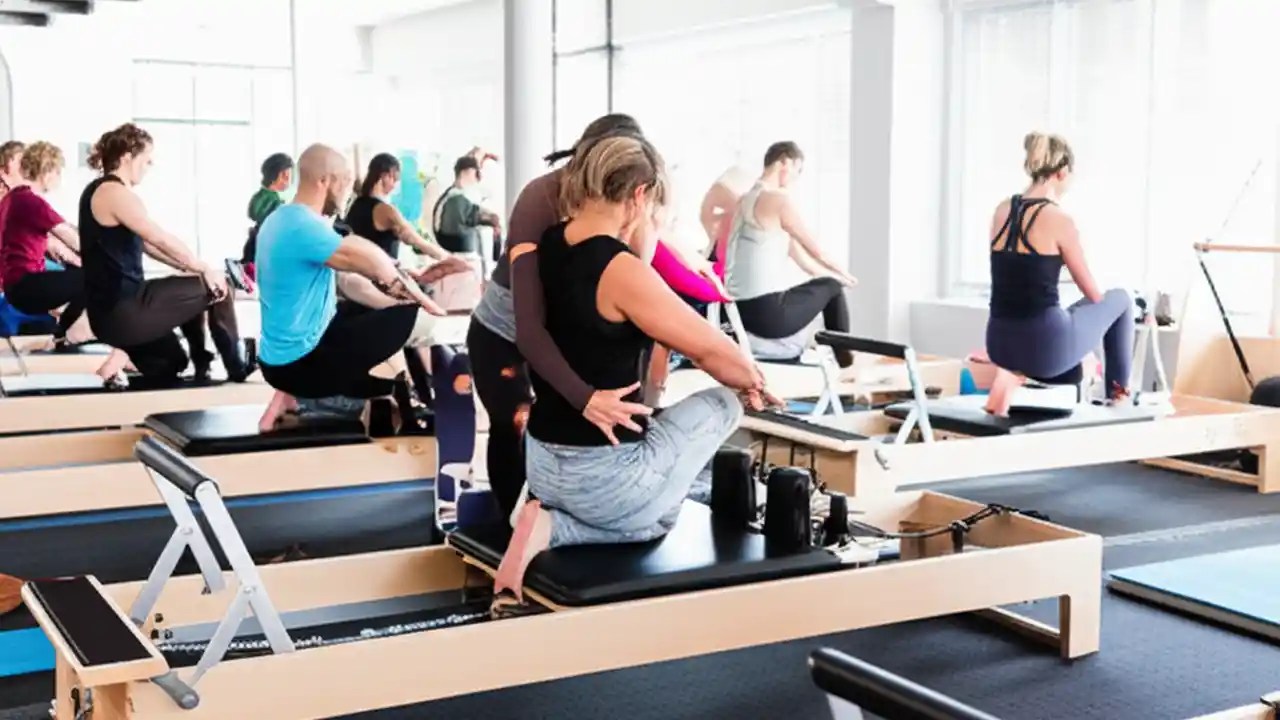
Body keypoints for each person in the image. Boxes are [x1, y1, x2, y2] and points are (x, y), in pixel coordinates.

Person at [492, 134, 772, 603]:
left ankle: (544, 518)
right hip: (606, 482)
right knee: (718, 412)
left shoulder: (546, 245)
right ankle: (561, 529)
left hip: (540, 464)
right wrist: (755, 382)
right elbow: (712, 352)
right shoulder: (621, 270)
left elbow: (532, 335)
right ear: (640, 196)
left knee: (661, 496)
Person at [468, 114, 731, 520]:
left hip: (560, 332)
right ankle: (511, 524)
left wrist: (682, 253)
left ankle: (564, 523)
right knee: (515, 423)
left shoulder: (626, 204)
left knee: (581, 430)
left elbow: (638, 291)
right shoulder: (542, 197)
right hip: (506, 332)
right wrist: (584, 397)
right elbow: (529, 328)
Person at [255, 144, 451, 432]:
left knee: (389, 321)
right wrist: (420, 302)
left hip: (286, 358)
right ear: (325, 181)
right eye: (346, 181)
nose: (350, 189)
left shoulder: (284, 218)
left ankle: (401, 399)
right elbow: (366, 259)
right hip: (301, 365)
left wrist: (398, 306)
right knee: (427, 324)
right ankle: (314, 399)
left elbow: (348, 281)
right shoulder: (301, 226)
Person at [79, 123, 256, 384]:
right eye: (147, 160)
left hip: (110, 314)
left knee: (172, 361)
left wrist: (192, 268)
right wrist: (203, 267)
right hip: (124, 311)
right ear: (128, 156)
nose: (149, 167)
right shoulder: (115, 193)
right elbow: (157, 237)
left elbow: (148, 246)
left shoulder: (97, 191)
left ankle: (198, 361)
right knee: (221, 287)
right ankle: (236, 366)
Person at [983, 132, 1133, 416]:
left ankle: (1077, 373)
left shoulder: (1001, 212)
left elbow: (1016, 271)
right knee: (1121, 299)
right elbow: (1093, 293)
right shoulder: (1060, 220)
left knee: (1066, 324)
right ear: (1062, 172)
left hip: (999, 344)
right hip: (1045, 350)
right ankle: (1120, 397)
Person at [0, 142, 131, 378]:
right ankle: (77, 333)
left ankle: (65, 334)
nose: (59, 180)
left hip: (17, 286)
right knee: (98, 280)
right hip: (27, 285)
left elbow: (60, 245)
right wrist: (110, 259)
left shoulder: (12, 199)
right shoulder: (33, 202)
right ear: (48, 172)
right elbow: (70, 237)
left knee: (88, 278)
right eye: (58, 173)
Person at [723, 142, 859, 367]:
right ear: (784, 162)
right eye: (797, 171)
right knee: (832, 286)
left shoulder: (744, 201)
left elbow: (806, 262)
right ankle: (845, 364)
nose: (796, 179)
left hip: (738, 312)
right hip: (768, 316)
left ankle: (843, 358)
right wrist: (845, 276)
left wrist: (837, 279)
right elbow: (815, 248)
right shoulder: (777, 199)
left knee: (831, 285)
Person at [340, 153, 471, 309]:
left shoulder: (355, 206)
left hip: (359, 283)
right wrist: (447, 258)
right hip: (382, 284)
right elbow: (416, 240)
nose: (396, 185)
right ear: (385, 176)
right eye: (395, 179)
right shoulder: (385, 211)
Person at [432, 153, 503, 274]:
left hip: (458, 253)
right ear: (468, 171)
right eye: (476, 173)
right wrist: (490, 220)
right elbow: (465, 221)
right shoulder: (455, 198)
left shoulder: (452, 196)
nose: (478, 179)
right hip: (460, 255)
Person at [238, 152, 294, 285]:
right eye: (289, 175)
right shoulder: (274, 199)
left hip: (256, 239)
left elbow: (252, 213)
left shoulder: (259, 195)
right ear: (283, 175)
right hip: (265, 242)